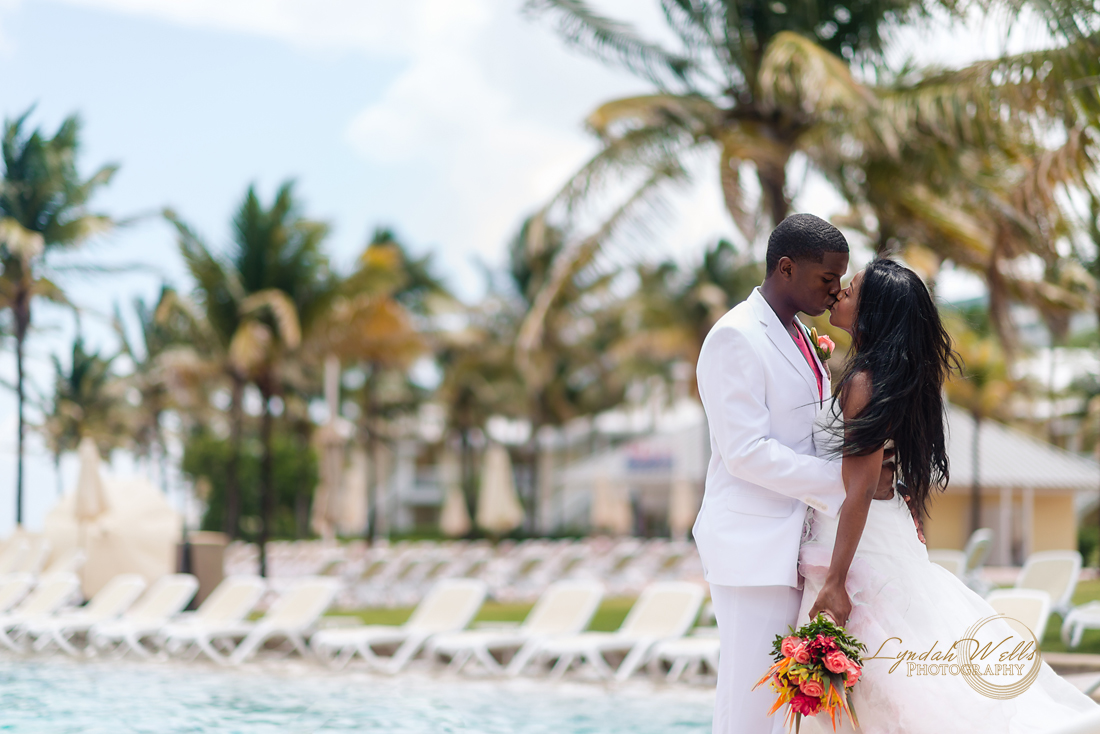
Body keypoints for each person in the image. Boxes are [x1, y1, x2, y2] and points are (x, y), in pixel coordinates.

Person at [798, 258, 1097, 732]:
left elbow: (858, 489)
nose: (840, 294)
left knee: (876, 684)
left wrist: (835, 580)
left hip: (860, 541)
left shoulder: (863, 383)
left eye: (851, 289)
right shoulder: (894, 379)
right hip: (884, 529)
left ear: (873, 310)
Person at [694, 213, 896, 734]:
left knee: (781, 706)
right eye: (827, 279)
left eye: (840, 280)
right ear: (786, 268)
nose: (835, 292)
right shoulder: (735, 337)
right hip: (752, 545)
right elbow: (745, 451)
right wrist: (847, 484)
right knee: (748, 700)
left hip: (798, 543)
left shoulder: (804, 336)